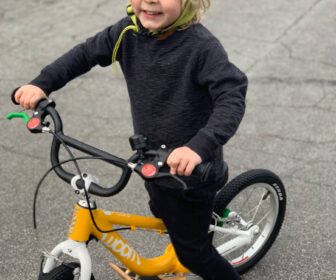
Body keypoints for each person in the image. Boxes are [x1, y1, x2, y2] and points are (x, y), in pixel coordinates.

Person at [13, 0, 247, 279]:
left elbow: (232, 96)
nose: (150, 0)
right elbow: (85, 54)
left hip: (191, 173)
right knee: (161, 209)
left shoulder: (202, 47)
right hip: (150, 158)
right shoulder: (127, 32)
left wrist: (198, 147)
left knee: (194, 254)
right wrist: (42, 83)